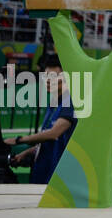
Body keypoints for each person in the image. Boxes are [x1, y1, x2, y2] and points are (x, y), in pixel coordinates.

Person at [6, 57, 74, 185]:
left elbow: (54, 134)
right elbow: (48, 142)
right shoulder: (53, 104)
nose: (48, 81)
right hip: (42, 173)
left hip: (56, 177)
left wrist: (19, 140)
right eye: (46, 76)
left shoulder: (70, 102)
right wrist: (25, 153)